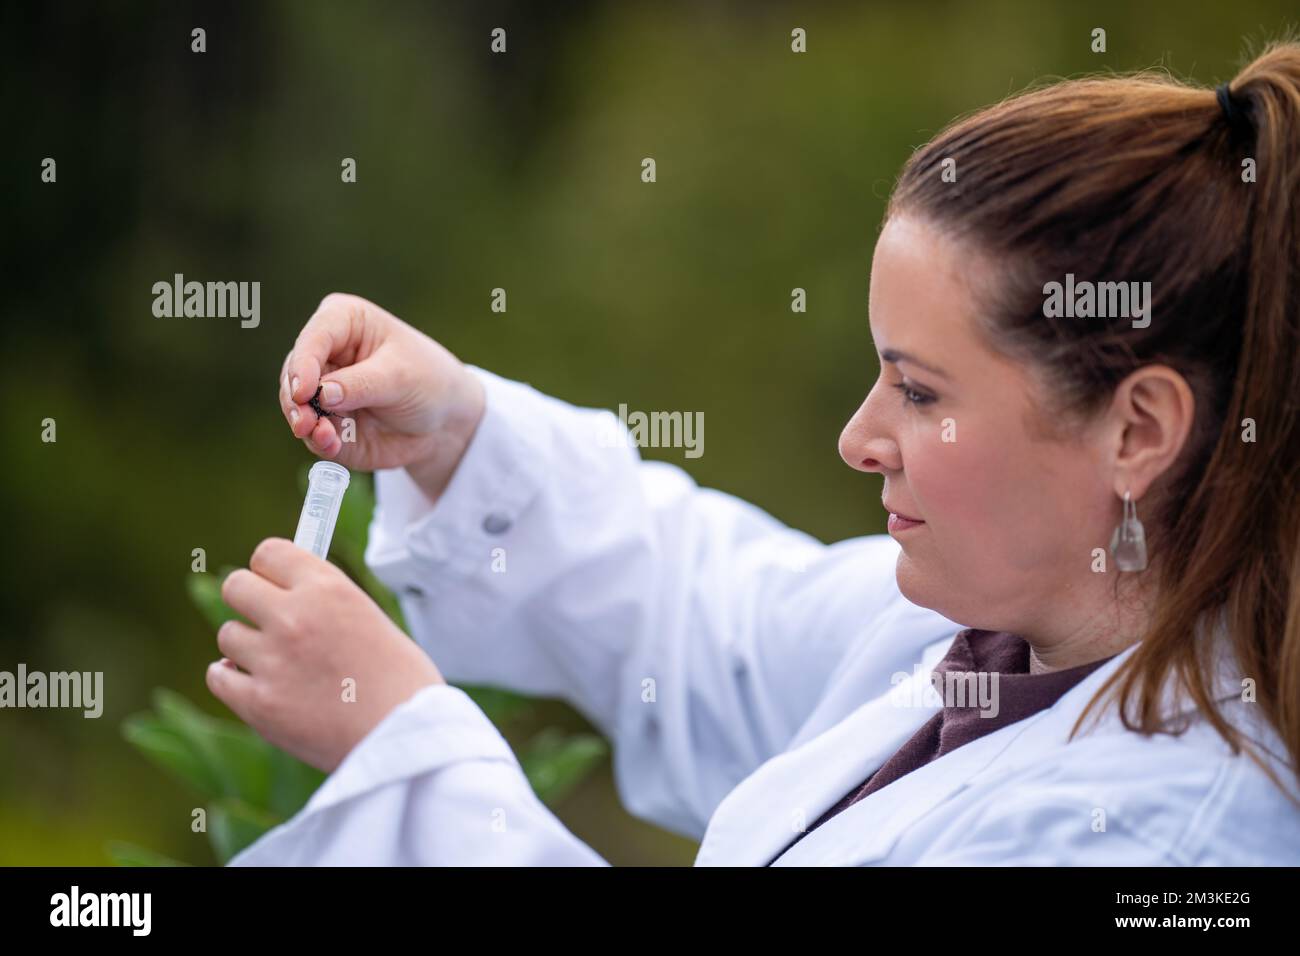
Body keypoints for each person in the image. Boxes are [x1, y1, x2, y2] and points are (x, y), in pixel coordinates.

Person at [211, 42, 1300, 866]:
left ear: (1137, 429)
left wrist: (407, 756)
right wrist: (459, 431)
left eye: (919, 391)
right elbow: (709, 620)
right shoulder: (997, 632)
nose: (859, 437)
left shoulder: (1169, 840)